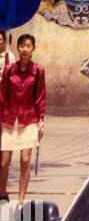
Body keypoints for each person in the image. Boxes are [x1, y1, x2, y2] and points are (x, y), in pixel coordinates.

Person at [0, 34, 46, 205]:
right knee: (4, 161)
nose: (25, 49)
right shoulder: (9, 70)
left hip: (29, 119)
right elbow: (2, 95)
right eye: (22, 45)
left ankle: (21, 200)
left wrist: (41, 121)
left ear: (33, 48)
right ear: (17, 48)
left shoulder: (39, 71)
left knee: (25, 160)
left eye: (28, 46)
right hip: (8, 118)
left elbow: (41, 96)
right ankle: (2, 194)